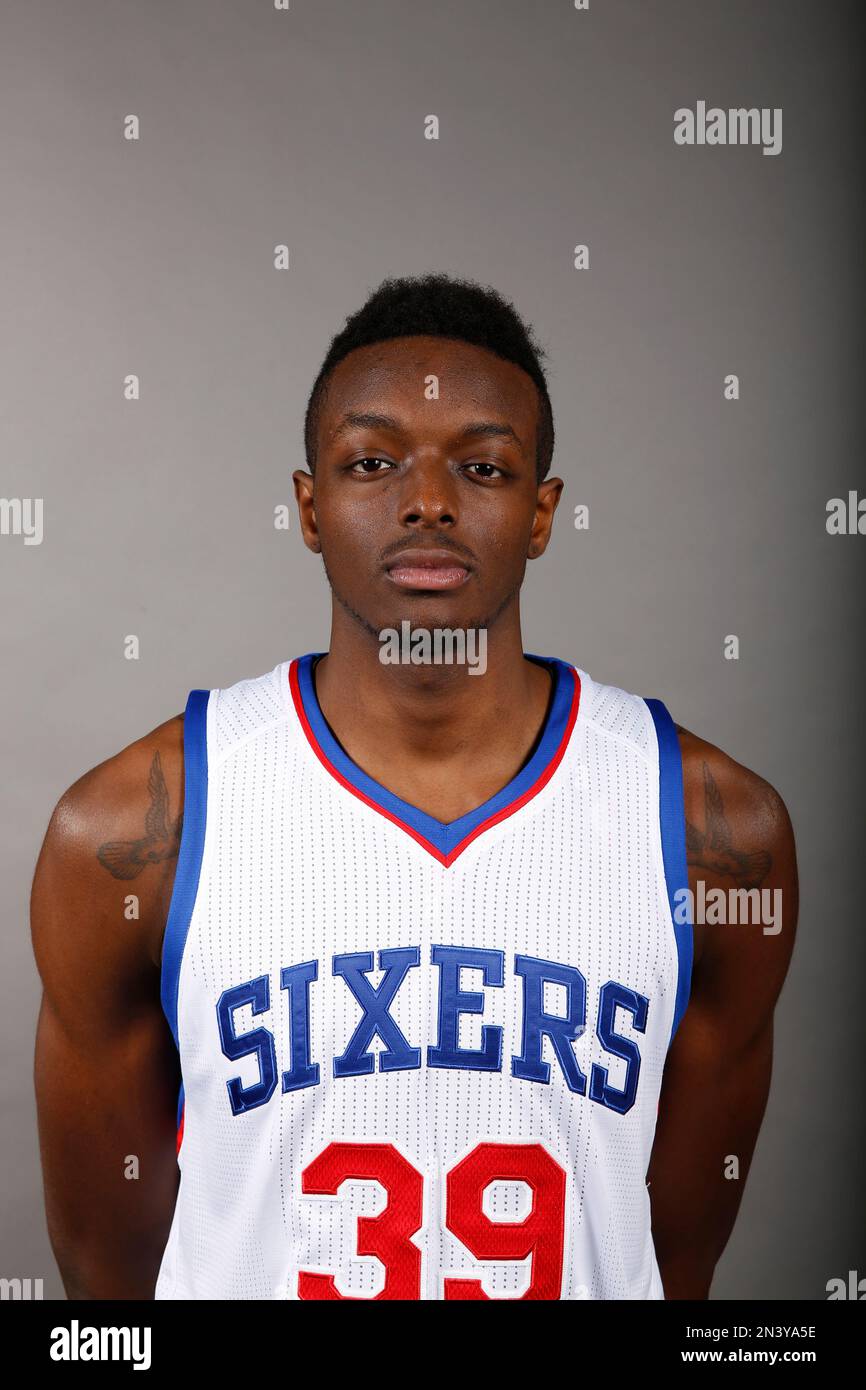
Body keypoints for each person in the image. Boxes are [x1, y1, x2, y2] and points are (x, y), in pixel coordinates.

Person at [31, 273, 798, 1300]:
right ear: (309, 506)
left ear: (539, 512)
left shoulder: (716, 835)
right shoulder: (129, 831)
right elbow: (106, 1281)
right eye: (372, 460)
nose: (427, 500)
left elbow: (672, 1259)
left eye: (480, 466)